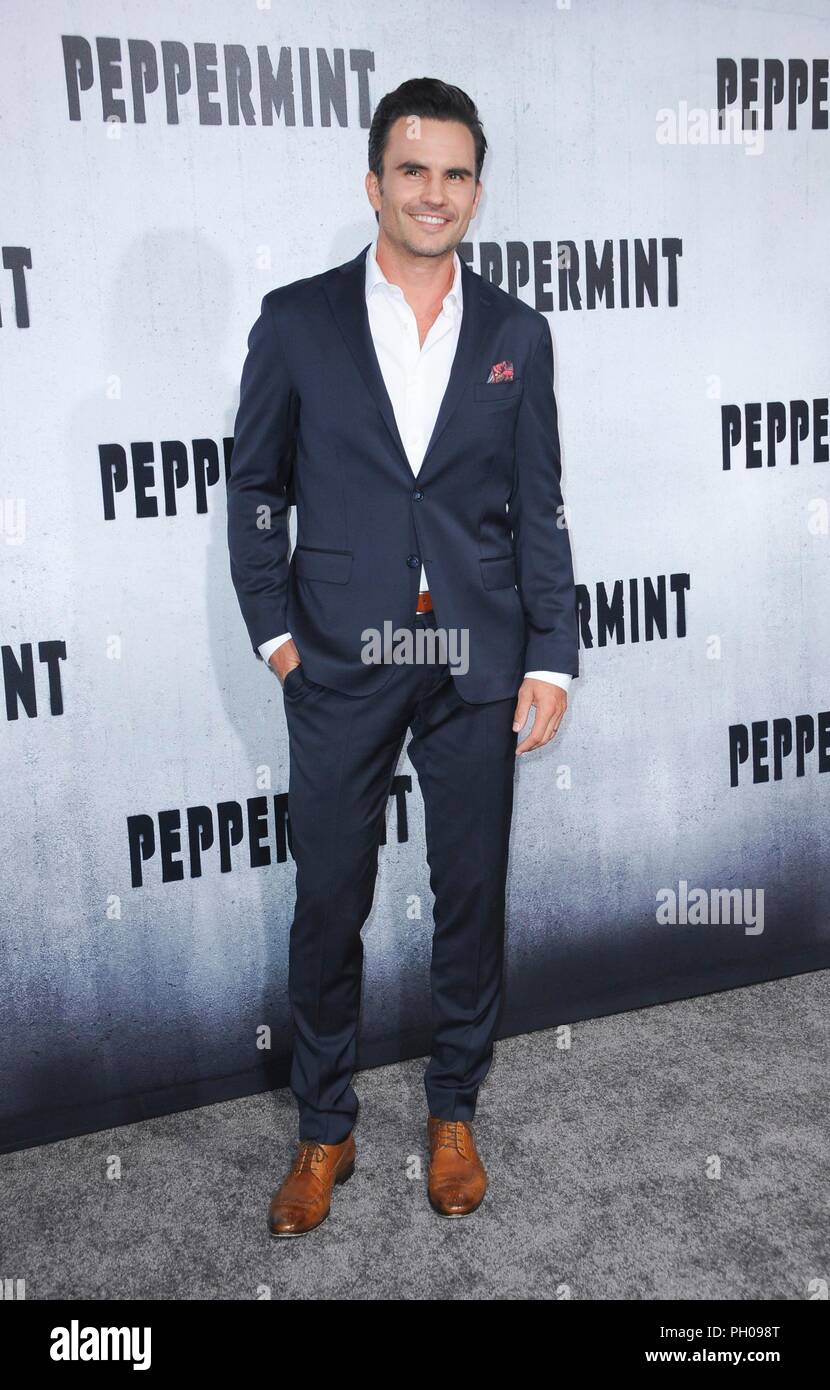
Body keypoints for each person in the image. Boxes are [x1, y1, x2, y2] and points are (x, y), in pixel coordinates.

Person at [226, 77, 579, 1236]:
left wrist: (551, 655)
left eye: (457, 173)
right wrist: (280, 637)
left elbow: (539, 508)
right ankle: (324, 1127)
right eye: (413, 170)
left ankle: (453, 1111)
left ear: (478, 189)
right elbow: (255, 487)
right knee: (330, 901)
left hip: (476, 657)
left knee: (470, 899)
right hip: (342, 656)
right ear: (372, 183)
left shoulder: (516, 334)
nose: (435, 194)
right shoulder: (296, 322)